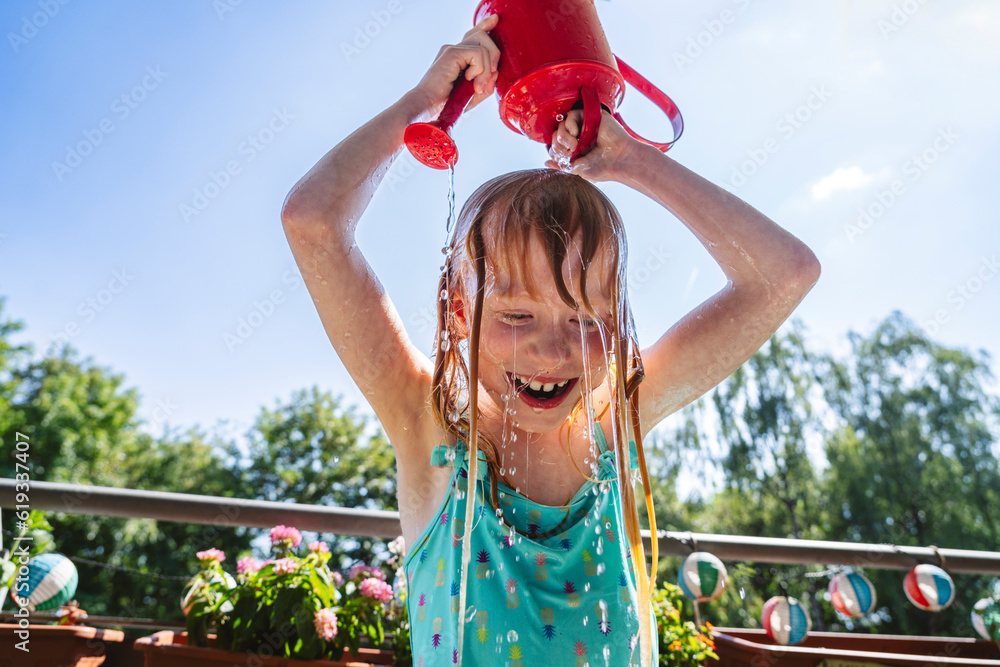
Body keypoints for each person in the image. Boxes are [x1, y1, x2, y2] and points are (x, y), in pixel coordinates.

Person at [281, 14, 820, 666]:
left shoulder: (616, 421)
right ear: (457, 311)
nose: (552, 351)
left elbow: (786, 274)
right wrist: (425, 104)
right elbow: (311, 221)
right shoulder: (427, 428)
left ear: (616, 324)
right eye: (516, 317)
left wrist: (632, 161)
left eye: (584, 319)